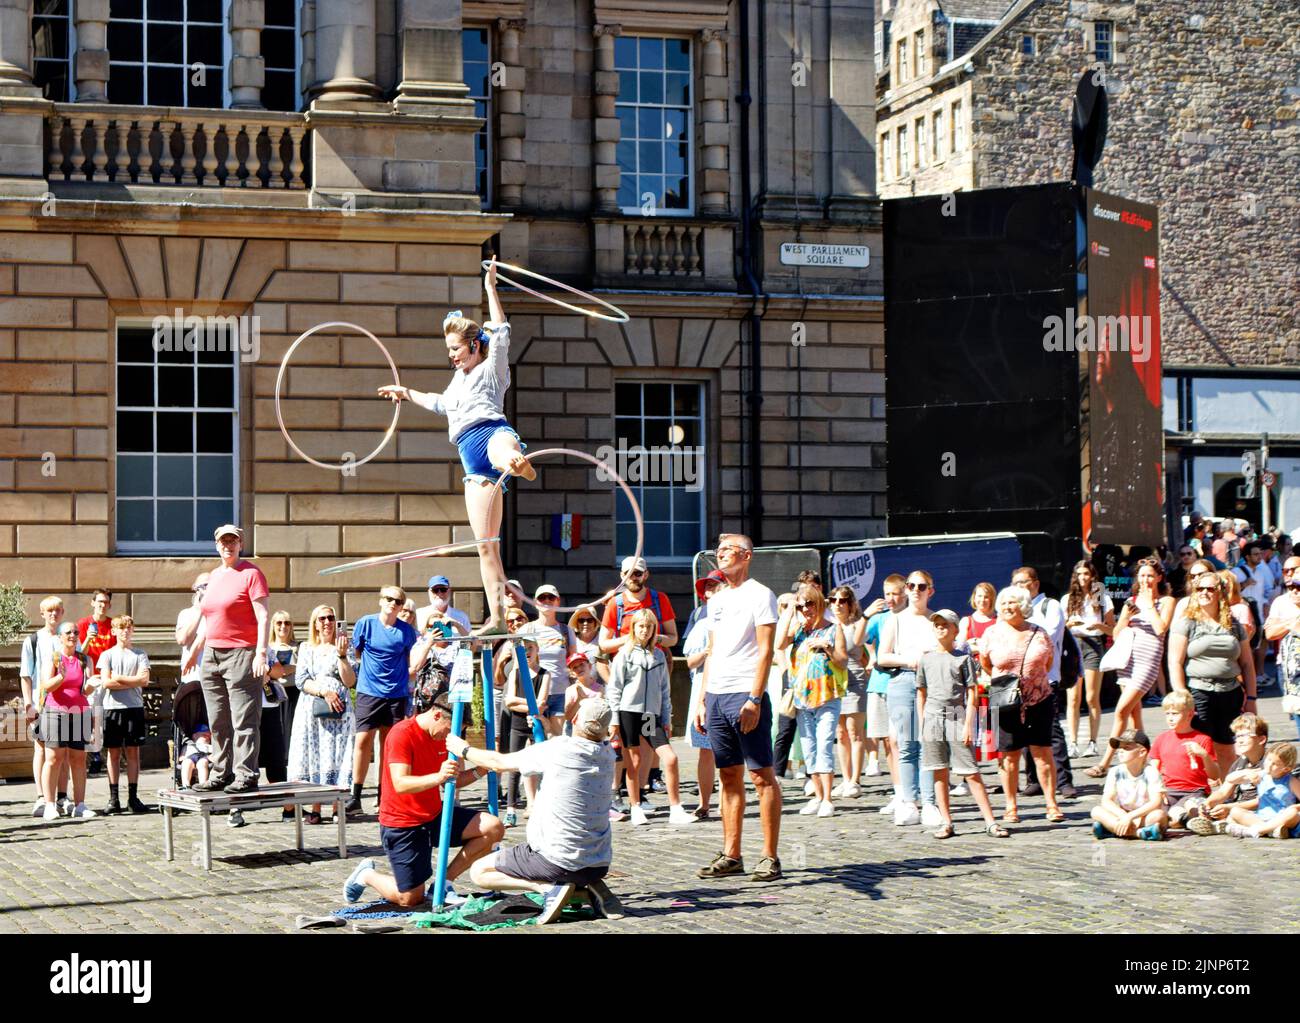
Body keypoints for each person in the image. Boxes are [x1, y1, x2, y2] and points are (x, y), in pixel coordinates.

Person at [376, 261, 533, 632]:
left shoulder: (491, 367)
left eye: (456, 348)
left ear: (474, 345)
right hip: (470, 459)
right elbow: (438, 403)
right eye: (448, 350)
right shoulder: (456, 385)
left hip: (493, 433)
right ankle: (497, 617)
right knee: (486, 546)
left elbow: (502, 329)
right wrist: (405, 393)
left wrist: (491, 288)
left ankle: (517, 462)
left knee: (504, 452)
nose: (451, 355)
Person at [455, 697, 619, 924]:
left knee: (479, 872)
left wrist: (462, 749)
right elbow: (576, 743)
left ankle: (546, 888)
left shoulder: (558, 750)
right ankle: (588, 884)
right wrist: (547, 729)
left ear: (576, 718)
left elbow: (499, 762)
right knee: (572, 864)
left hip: (555, 860)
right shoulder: (608, 754)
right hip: (598, 864)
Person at [342, 685, 504, 908]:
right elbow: (401, 783)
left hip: (435, 815)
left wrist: (481, 769)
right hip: (403, 824)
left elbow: (453, 780)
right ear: (437, 714)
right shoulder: (402, 734)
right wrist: (438, 777)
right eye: (450, 729)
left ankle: (443, 883)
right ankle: (367, 875)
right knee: (409, 899)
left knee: (493, 827)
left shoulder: (444, 738)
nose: (452, 736)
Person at [696, 533, 782, 882]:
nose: (721, 555)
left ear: (746, 555)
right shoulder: (716, 600)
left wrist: (754, 698)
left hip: (744, 694)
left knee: (761, 775)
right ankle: (732, 854)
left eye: (728, 550)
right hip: (717, 695)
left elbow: (765, 650)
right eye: (718, 551)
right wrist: (702, 698)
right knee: (727, 775)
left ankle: (770, 856)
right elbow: (713, 650)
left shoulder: (761, 595)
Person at [180, 524, 270, 795]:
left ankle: (246, 774)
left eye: (233, 541)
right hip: (212, 654)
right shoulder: (215, 576)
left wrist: (261, 653)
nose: (228, 545)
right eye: (223, 541)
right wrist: (197, 649)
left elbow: (263, 616)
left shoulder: (251, 574)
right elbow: (211, 617)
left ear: (241, 544)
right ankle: (221, 772)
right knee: (218, 720)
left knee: (244, 719)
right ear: (216, 545)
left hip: (242, 652)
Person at [344, 586, 440, 815]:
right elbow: (357, 655)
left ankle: (384, 795)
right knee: (362, 742)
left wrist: (428, 642)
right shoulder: (365, 624)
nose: (393, 604)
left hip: (396, 695)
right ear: (380, 600)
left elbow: (413, 664)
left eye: (398, 601)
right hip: (369, 692)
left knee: (390, 746)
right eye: (389, 599)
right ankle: (355, 796)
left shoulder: (406, 631)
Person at [917, 609, 1008, 839]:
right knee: (939, 771)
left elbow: (972, 695)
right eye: (937, 624)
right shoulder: (925, 658)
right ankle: (946, 821)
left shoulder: (963, 658)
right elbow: (921, 694)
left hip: (956, 715)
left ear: (956, 630)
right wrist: (922, 724)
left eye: (945, 625)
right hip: (932, 718)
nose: (941, 628)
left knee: (971, 771)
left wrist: (968, 724)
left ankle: (990, 822)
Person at [979, 586, 1063, 824]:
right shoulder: (991, 634)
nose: (1007, 607)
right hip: (1006, 703)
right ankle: (1010, 806)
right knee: (1008, 756)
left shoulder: (1039, 633)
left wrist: (1029, 682)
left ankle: (1051, 803)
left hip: (1039, 699)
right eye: (1004, 603)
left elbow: (1046, 664)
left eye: (1012, 603)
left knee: (1042, 752)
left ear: (1023, 606)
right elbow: (986, 664)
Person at [1086, 557, 1176, 777]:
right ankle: (1150, 758)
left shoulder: (1166, 601)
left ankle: (1105, 763)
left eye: (1150, 576)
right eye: (1142, 575)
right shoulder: (1132, 600)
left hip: (1148, 661)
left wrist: (1148, 605)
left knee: (1121, 711)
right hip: (1128, 661)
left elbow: (1161, 628)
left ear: (1159, 578)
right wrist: (1125, 615)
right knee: (1135, 715)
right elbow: (1116, 635)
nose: (1145, 580)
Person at [1167, 571, 1256, 778]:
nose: (1204, 593)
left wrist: (1251, 698)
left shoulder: (1233, 625)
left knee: (1227, 746)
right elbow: (1175, 662)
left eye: (1210, 588)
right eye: (1200, 589)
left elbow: (1247, 664)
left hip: (1230, 691)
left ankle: (1228, 791)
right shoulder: (1186, 623)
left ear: (1221, 592)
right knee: (1199, 746)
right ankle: (1200, 791)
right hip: (1198, 692)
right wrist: (1182, 696)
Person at [608, 609, 692, 825]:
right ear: (634, 628)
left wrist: (667, 719)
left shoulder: (659, 655)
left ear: (654, 629)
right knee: (633, 761)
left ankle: (676, 808)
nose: (645, 630)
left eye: (649, 626)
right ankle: (635, 806)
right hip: (628, 712)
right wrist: (614, 719)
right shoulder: (624, 654)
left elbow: (665, 689)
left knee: (670, 758)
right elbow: (615, 688)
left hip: (650, 715)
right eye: (641, 626)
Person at [876, 569, 942, 826]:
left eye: (921, 586)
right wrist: (909, 660)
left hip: (931, 683)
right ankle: (907, 801)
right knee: (906, 744)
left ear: (930, 591)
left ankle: (929, 803)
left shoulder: (935, 620)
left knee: (928, 743)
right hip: (902, 680)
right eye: (911, 585)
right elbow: (882, 656)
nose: (916, 590)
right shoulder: (896, 619)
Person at [777, 583, 848, 818]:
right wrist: (789, 613)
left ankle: (827, 798)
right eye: (801, 605)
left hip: (827, 696)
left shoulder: (832, 629)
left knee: (825, 744)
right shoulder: (798, 630)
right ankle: (817, 797)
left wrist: (825, 647)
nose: (806, 609)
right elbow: (779, 644)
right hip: (802, 698)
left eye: (809, 604)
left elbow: (843, 661)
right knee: (809, 749)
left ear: (819, 604)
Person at [1010, 566, 1076, 800]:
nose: (1019, 587)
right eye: (1015, 583)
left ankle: (1063, 780)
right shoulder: (1013, 609)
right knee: (1024, 729)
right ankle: (1033, 779)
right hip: (1019, 679)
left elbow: (1048, 635)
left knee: (1052, 730)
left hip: (1048, 678)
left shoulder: (1050, 606)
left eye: (1023, 582)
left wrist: (1020, 632)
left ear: (1035, 584)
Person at [289, 605, 356, 824]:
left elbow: (350, 681)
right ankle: (315, 808)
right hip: (313, 709)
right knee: (315, 753)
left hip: (340, 712)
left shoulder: (345, 646)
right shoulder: (307, 647)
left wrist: (342, 655)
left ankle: (338, 806)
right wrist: (324, 692)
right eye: (322, 618)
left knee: (338, 754)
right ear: (315, 624)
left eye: (330, 618)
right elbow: (301, 680)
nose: (327, 622)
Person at [39, 622, 97, 820]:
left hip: (79, 712)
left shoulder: (84, 659)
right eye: (68, 632)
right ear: (60, 637)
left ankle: (80, 805)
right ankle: (49, 804)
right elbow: (47, 685)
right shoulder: (54, 658)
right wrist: (61, 677)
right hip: (55, 712)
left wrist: (92, 685)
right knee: (53, 759)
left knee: (78, 759)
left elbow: (85, 689)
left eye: (75, 632)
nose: (72, 635)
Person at [20, 595, 70, 818]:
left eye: (57, 610)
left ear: (62, 613)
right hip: (42, 702)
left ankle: (62, 796)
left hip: (65, 702)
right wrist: (28, 703)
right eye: (49, 611)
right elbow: (26, 675)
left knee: (64, 751)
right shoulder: (33, 640)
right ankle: (41, 796)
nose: (53, 614)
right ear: (42, 614)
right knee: (41, 748)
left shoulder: (66, 638)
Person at [96, 615, 150, 814]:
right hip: (113, 708)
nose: (125, 631)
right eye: (121, 628)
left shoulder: (139, 654)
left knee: (133, 752)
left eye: (128, 627)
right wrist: (130, 679)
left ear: (132, 630)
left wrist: (118, 677)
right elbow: (106, 682)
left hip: (133, 707)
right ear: (114, 631)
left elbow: (144, 680)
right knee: (113, 753)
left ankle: (133, 797)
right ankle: (113, 798)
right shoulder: (107, 655)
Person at [683, 571, 725, 819]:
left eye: (715, 585)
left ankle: (725, 801)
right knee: (705, 750)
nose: (711, 590)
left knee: (727, 750)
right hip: (702, 685)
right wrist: (708, 651)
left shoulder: (735, 615)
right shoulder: (700, 619)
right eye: (707, 586)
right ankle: (705, 802)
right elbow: (690, 660)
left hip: (727, 685)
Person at [1064, 560, 1114, 759]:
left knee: (1091, 697)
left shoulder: (1102, 598)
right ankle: (1073, 743)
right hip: (1074, 643)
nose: (1084, 577)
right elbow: (1060, 629)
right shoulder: (1067, 599)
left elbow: (1113, 629)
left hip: (1094, 644)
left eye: (1087, 573)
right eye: (1080, 574)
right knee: (1073, 698)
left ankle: (1092, 742)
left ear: (1093, 576)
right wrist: (1069, 623)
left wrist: (1099, 627)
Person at [1149, 690, 1220, 829]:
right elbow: (1153, 770)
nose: (1170, 718)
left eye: (1175, 714)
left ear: (1189, 714)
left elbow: (1215, 775)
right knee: (1155, 815)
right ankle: (1185, 820)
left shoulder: (1202, 739)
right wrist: (1158, 790)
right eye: (1167, 714)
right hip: (1168, 791)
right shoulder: (1161, 739)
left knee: (1184, 811)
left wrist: (1204, 755)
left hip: (1194, 791)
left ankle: (1189, 818)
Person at [1188, 713, 1268, 836]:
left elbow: (1264, 799)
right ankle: (1219, 822)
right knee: (1193, 803)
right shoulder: (1239, 763)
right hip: (1238, 805)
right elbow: (1223, 792)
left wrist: (1230, 807)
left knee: (1235, 813)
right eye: (1237, 736)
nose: (1239, 740)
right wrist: (1208, 804)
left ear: (1261, 739)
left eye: (1245, 735)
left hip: (1261, 809)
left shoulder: (1269, 762)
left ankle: (1225, 825)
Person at [865, 576, 907, 802]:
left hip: (906, 682)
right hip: (881, 683)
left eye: (895, 593)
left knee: (906, 739)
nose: (891, 598)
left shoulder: (912, 618)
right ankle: (899, 790)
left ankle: (913, 788)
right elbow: (857, 638)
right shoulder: (879, 618)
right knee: (889, 742)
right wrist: (866, 615)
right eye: (887, 593)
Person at [499, 637, 548, 827]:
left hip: (536, 724)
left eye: (530, 647)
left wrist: (525, 704)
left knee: (540, 765)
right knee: (514, 767)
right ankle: (510, 809)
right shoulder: (515, 673)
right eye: (523, 648)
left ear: (537, 650)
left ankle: (538, 804)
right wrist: (530, 704)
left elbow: (542, 704)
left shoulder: (545, 674)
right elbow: (509, 700)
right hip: (517, 724)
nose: (527, 651)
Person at [829, 586, 870, 798]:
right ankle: (845, 779)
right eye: (833, 600)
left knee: (855, 732)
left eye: (842, 600)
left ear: (850, 604)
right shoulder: (829, 626)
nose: (837, 604)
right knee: (840, 733)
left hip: (855, 680)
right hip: (835, 682)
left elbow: (868, 652)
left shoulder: (857, 626)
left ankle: (855, 780)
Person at [1089, 729, 1167, 840]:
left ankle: (1111, 829)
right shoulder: (1115, 771)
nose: (1120, 751)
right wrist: (1124, 816)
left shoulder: (1151, 772)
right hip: (1123, 814)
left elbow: (1156, 802)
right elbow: (1106, 800)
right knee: (1096, 811)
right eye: (1119, 748)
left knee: (1159, 816)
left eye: (1126, 748)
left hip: (1143, 815)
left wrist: (1131, 817)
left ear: (1142, 752)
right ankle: (1139, 833)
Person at [522, 584, 576, 737]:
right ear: (535, 602)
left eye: (551, 597)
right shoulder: (526, 630)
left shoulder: (566, 630)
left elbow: (573, 661)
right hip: (534, 692)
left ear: (558, 601)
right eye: (542, 597)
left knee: (559, 738)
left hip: (560, 692)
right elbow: (518, 664)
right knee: (535, 739)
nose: (546, 601)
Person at [599, 556, 679, 656]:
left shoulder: (660, 599)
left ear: (645, 575)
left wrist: (654, 638)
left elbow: (673, 639)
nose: (633, 578)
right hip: (626, 664)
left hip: (653, 663)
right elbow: (603, 645)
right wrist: (630, 639)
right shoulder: (615, 603)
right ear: (622, 576)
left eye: (637, 573)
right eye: (629, 574)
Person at [1222, 742, 1300, 839]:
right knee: (1235, 811)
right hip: (1261, 818)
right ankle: (1270, 830)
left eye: (1275, 764)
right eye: (1268, 759)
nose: (1269, 765)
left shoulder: (1291, 781)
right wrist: (1247, 772)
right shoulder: (1260, 775)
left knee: (1293, 813)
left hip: (1281, 818)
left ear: (1286, 769)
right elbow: (1230, 779)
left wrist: (1295, 807)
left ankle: (1255, 831)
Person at [1263, 555, 1300, 739]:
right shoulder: (1281, 602)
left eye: (1294, 570)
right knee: (1297, 714)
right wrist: (1290, 623)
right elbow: (1269, 634)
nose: (1290, 576)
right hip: (1288, 668)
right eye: (1286, 571)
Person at [76, 589, 117, 685]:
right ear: (93, 603)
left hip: (109, 677)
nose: (103, 605)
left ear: (109, 605)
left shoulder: (114, 624)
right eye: (100, 601)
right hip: (90, 677)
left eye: (106, 602)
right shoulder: (83, 624)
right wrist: (88, 638)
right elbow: (79, 655)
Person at [569, 606, 609, 684]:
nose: (585, 623)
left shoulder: (604, 640)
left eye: (590, 620)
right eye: (581, 620)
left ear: (595, 623)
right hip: (577, 691)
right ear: (576, 623)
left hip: (601, 690)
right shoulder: (570, 641)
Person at [563, 652, 604, 728]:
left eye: (581, 664)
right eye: (574, 668)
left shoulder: (599, 689)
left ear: (590, 666)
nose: (579, 668)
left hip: (593, 727)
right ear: (572, 673)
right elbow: (567, 717)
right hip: (574, 729)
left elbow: (599, 712)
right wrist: (579, 699)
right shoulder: (570, 690)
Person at [180, 723, 213, 789]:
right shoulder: (188, 745)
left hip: (204, 757)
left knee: (202, 763)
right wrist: (182, 758)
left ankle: (203, 784)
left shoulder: (209, 746)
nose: (207, 737)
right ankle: (186, 785)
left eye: (209, 737)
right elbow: (182, 756)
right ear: (194, 736)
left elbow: (214, 755)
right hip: (190, 757)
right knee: (186, 763)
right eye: (204, 735)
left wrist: (211, 758)